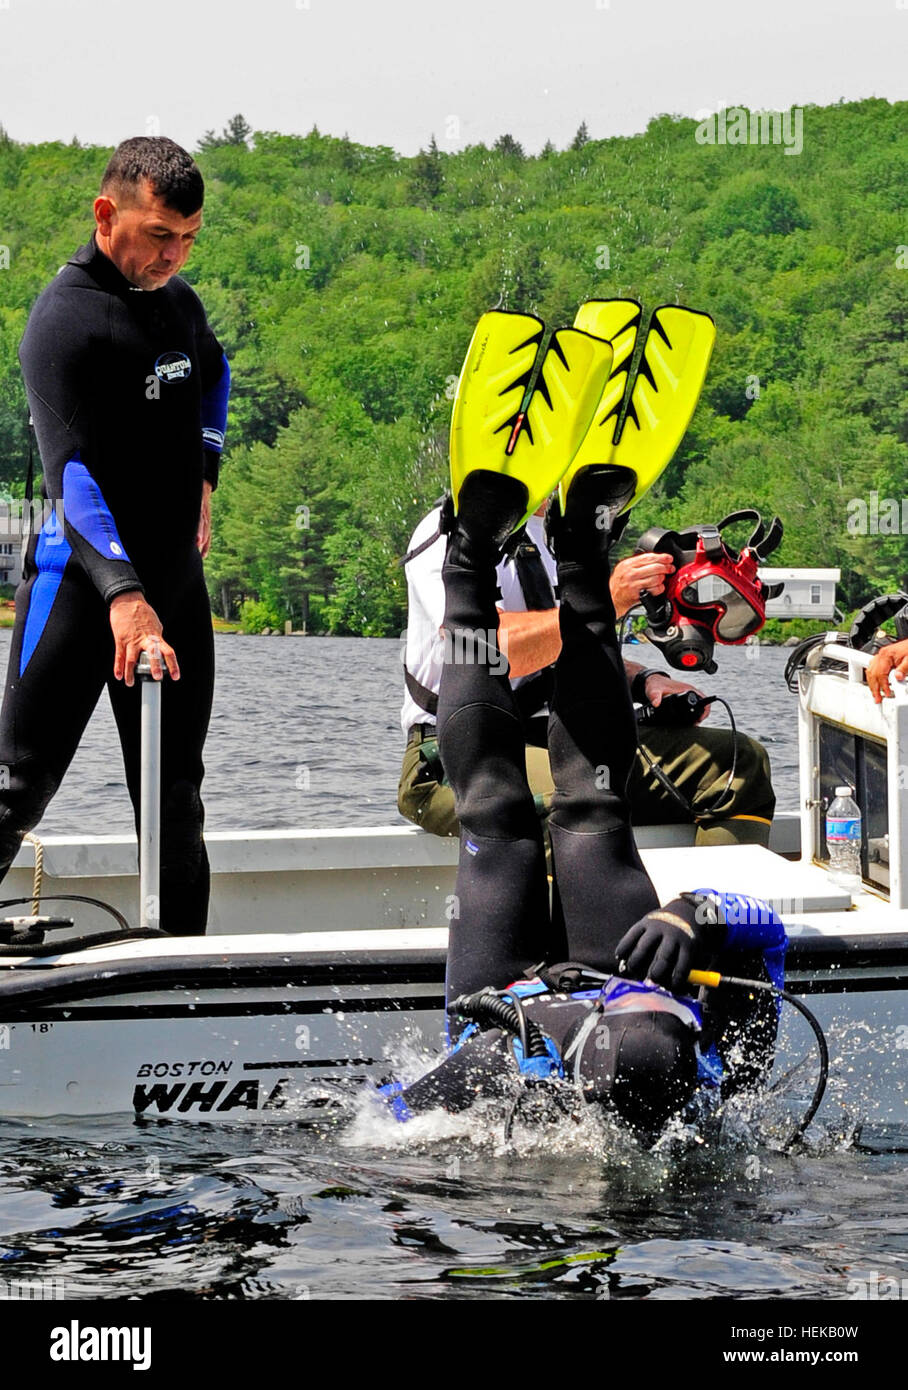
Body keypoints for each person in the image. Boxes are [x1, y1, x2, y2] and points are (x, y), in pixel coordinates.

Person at [384, 311, 783, 1138]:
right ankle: (581, 547)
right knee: (586, 811)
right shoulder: (711, 1088)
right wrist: (692, 916)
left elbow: (391, 1124)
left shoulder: (493, 1087)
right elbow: (766, 950)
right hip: (614, 973)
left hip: (513, 1021)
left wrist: (643, 678)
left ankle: (483, 556)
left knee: (507, 818)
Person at [3, 136, 230, 935]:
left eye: (190, 238)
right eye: (161, 235)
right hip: (80, 588)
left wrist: (206, 473)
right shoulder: (62, 323)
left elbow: (215, 371)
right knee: (17, 783)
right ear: (108, 214)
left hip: (170, 590)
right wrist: (123, 597)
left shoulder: (179, 307)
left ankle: (178, 984)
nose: (175, 255)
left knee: (175, 799)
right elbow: (72, 478)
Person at [398, 501, 776, 849]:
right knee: (576, 798)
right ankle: (583, 920)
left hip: (555, 738)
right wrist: (607, 600)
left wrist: (644, 681)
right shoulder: (452, 530)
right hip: (455, 753)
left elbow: (563, 648)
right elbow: (488, 650)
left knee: (736, 763)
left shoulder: (552, 539)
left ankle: (702, 917)